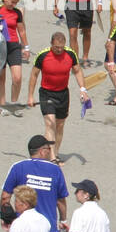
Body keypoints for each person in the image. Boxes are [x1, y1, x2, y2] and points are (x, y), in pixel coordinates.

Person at [27, 31, 90, 162]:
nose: (59, 50)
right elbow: (34, 75)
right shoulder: (43, 55)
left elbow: (77, 71)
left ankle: (55, 152)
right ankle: (52, 158)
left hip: (63, 94)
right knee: (50, 123)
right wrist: (30, 96)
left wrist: (83, 89)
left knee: (60, 126)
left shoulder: (70, 54)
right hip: (46, 93)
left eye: (61, 47)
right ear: (51, 44)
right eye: (56, 47)